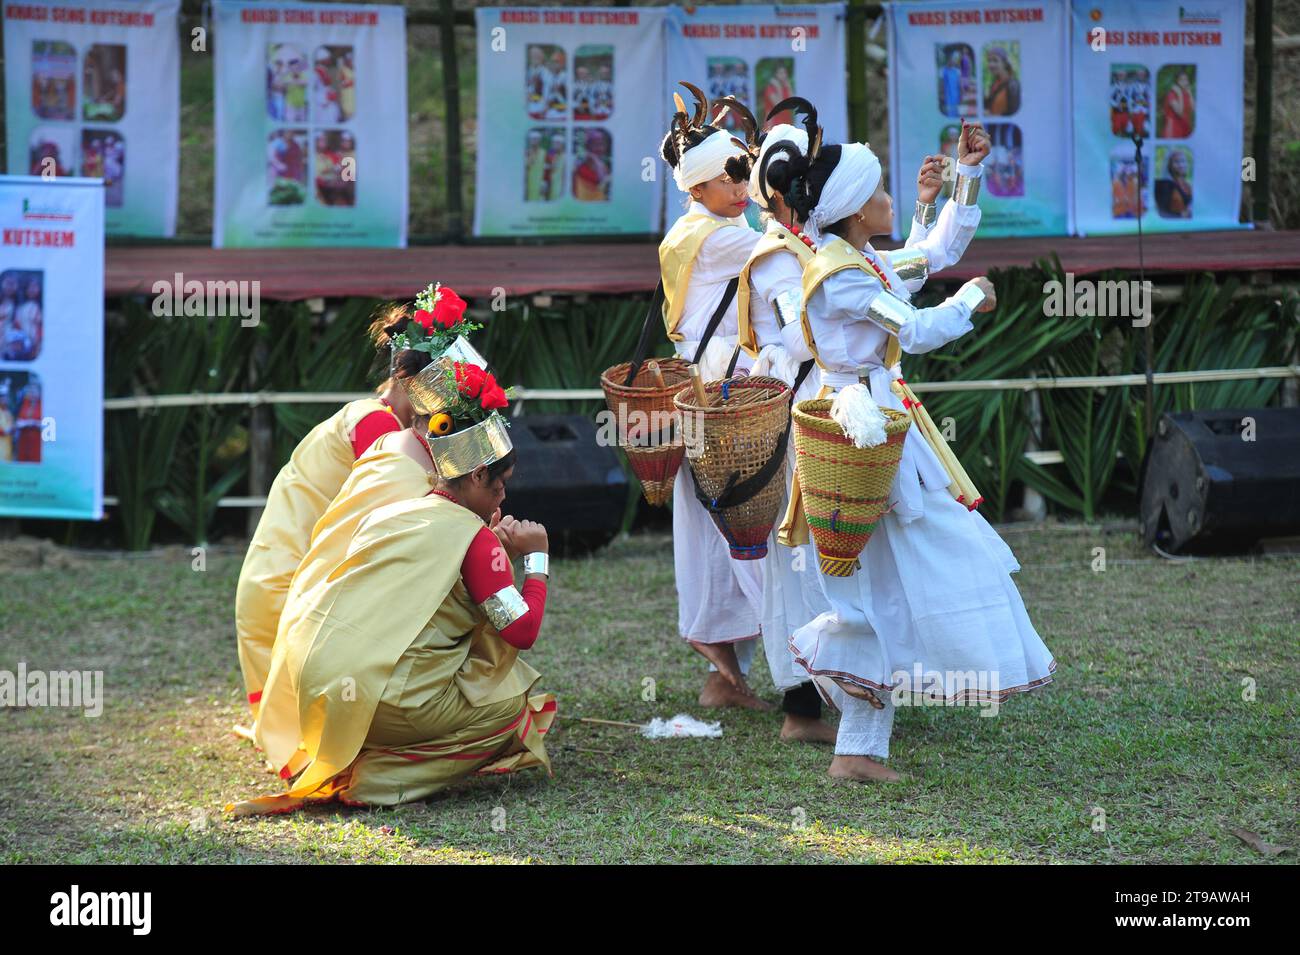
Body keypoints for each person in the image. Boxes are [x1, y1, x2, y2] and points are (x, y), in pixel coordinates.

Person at [785, 122, 1055, 782]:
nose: (887, 198)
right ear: (852, 209)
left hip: (875, 434)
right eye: (877, 191)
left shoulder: (857, 261)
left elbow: (928, 253)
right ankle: (857, 748)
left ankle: (858, 750)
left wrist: (962, 176)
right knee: (881, 583)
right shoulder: (840, 275)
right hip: (859, 437)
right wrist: (970, 299)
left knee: (883, 585)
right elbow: (916, 327)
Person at [228, 386, 555, 816]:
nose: (504, 498)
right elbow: (522, 630)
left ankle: (364, 752)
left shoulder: (392, 508)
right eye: (501, 485)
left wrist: (493, 554)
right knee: (512, 709)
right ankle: (382, 781)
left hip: (312, 689)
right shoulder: (473, 539)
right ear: (476, 476)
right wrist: (536, 557)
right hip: (378, 699)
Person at [251, 304, 496, 766]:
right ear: (409, 382)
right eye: (450, 387)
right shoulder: (385, 429)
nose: (454, 405)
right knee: (299, 725)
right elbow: (397, 527)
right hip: (286, 575)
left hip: (301, 568)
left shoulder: (399, 432)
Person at [233, 298, 442, 721]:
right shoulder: (377, 426)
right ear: (403, 377)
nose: (442, 400)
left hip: (279, 585)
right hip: (288, 594)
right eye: (437, 384)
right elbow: (401, 524)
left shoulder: (380, 421)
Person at [658, 82, 768, 709]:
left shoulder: (692, 229)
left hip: (707, 392)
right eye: (733, 177)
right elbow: (792, 255)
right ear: (697, 188)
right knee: (742, 525)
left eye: (746, 175)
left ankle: (723, 677)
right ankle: (763, 669)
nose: (744, 187)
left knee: (714, 528)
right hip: (722, 395)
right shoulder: (718, 237)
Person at [1155, 149, 1192, 218]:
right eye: (1176, 162)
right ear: (1169, 165)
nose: (1181, 165)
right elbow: (1162, 211)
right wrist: (1180, 215)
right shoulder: (1165, 185)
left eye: (1183, 161)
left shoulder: (1188, 186)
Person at [983, 47, 1019, 116]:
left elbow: (1013, 113)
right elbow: (990, 104)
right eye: (989, 61)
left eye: (995, 60)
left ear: (1004, 63)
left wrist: (992, 116)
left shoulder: (1013, 85)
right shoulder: (995, 83)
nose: (991, 64)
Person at [1161, 70, 1194, 139]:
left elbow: (1193, 109)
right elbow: (1179, 112)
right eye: (1181, 80)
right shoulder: (1171, 94)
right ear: (1177, 81)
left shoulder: (1186, 94)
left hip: (1185, 127)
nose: (1184, 82)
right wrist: (1179, 95)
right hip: (1173, 128)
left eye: (1186, 79)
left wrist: (1190, 94)